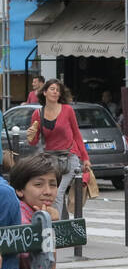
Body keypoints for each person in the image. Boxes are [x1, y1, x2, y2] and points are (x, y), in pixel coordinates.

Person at [25, 79, 91, 218]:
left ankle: (56, 228)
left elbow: (77, 135)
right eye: (52, 89)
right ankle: (64, 225)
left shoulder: (67, 110)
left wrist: (85, 158)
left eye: (58, 90)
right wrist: (30, 136)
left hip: (69, 157)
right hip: (50, 160)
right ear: (44, 92)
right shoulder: (38, 114)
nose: (55, 92)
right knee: (56, 194)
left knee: (58, 193)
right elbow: (34, 142)